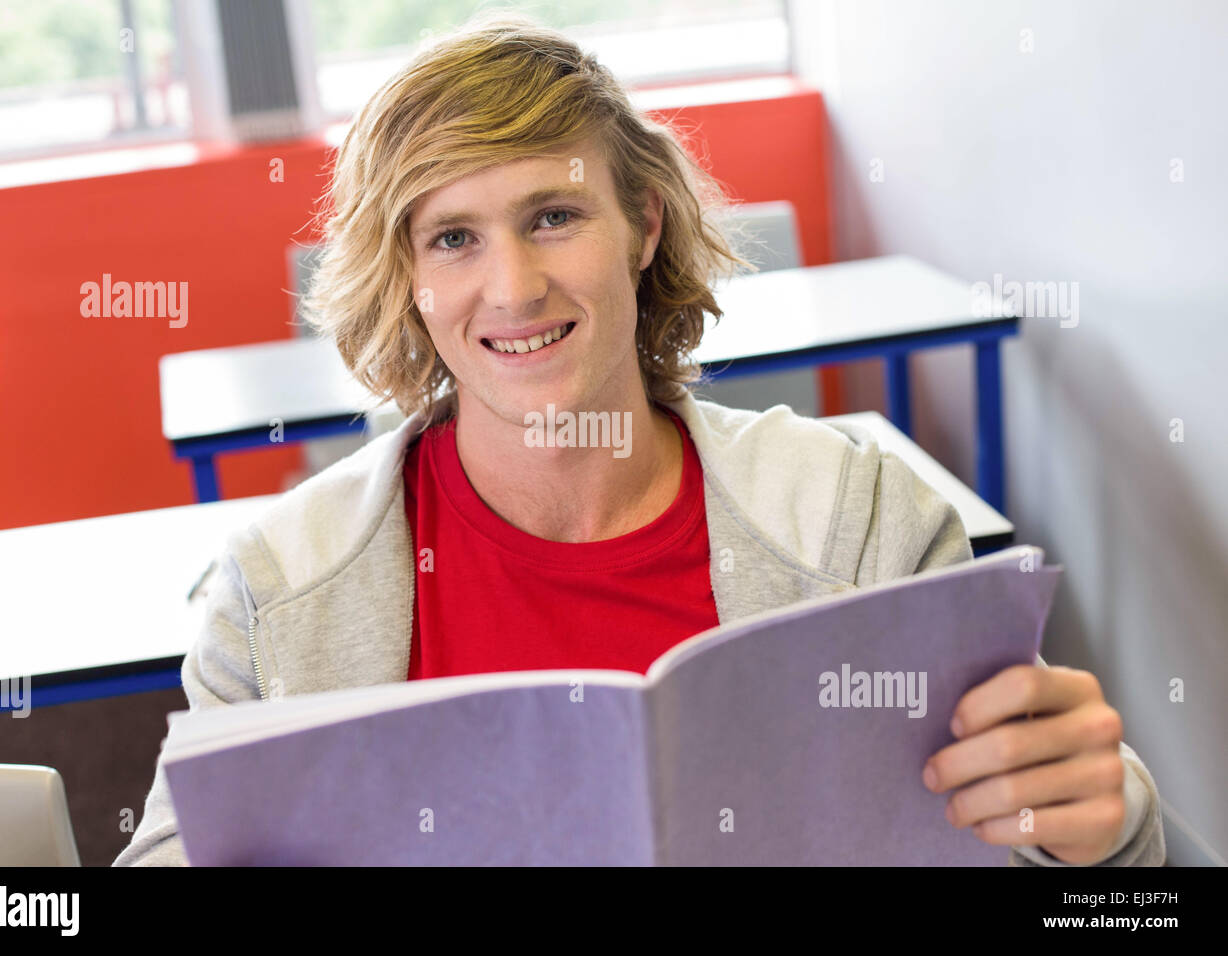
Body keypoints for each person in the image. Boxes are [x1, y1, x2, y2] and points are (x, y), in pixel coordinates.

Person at [114, 13, 1163, 867]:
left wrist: (1101, 833)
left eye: (554, 215)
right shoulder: (273, 595)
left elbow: (1062, 868)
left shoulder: (864, 527)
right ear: (411, 281)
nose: (514, 285)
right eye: (453, 238)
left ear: (644, 225)